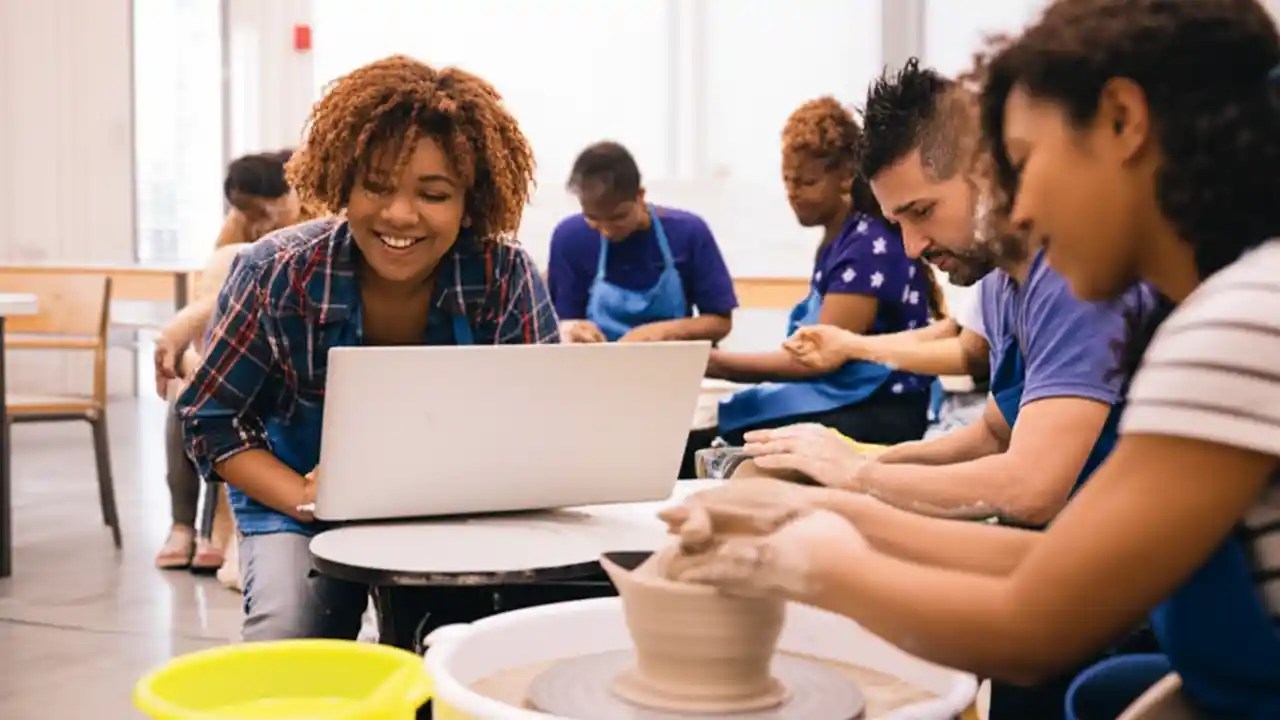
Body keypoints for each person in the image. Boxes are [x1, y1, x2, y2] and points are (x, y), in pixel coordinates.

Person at [663, 1, 1280, 717]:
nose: (1017, 209)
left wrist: (810, 559)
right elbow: (1057, 567)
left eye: (1021, 163)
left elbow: (1036, 623)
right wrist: (819, 508)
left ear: (1121, 122)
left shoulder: (1243, 324)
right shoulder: (1221, 310)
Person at [177, 55, 557, 641]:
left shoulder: (503, 276)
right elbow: (214, 418)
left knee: (454, 646)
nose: (400, 214)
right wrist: (303, 495)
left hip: (456, 507)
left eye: (434, 194)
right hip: (295, 500)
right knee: (291, 633)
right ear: (343, 183)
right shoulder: (275, 272)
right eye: (376, 187)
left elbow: (542, 422)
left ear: (470, 201)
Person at [745, 60, 1154, 529]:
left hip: (1112, 558)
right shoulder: (1002, 282)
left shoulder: (1073, 274)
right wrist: (862, 463)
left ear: (986, 170)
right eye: (897, 222)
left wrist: (858, 476)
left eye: (922, 211)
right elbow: (992, 436)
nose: (912, 247)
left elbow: (1030, 488)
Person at [702, 97, 942, 447]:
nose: (794, 194)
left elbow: (817, 359)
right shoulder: (838, 238)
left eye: (807, 182)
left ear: (845, 177)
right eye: (788, 181)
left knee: (718, 441)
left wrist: (714, 364)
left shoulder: (866, 247)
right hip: (842, 397)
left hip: (879, 408)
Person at [153, 150, 303, 573]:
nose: (256, 224)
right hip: (246, 339)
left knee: (220, 393)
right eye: (244, 214)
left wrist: (179, 328)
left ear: (292, 192)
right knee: (187, 394)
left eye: (262, 211)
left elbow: (254, 282)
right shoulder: (240, 227)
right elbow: (222, 291)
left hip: (292, 346)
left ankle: (221, 531)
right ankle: (183, 526)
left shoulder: (315, 219)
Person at [547, 141, 737, 343]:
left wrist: (664, 332)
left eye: (617, 218)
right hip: (596, 367)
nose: (606, 230)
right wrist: (571, 330)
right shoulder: (570, 239)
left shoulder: (689, 233)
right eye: (593, 218)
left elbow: (720, 322)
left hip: (672, 365)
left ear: (640, 196)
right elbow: (561, 321)